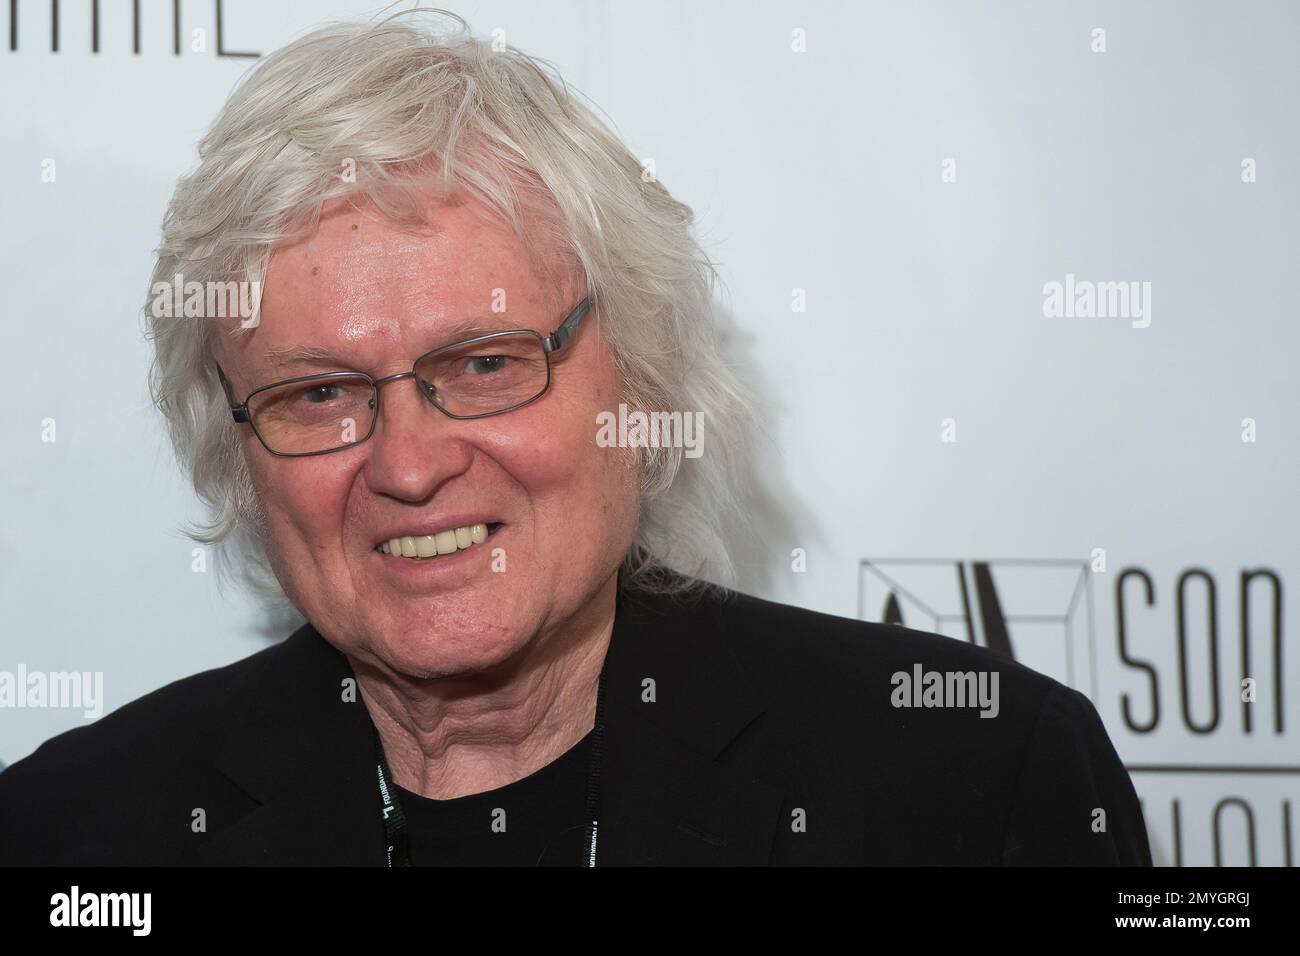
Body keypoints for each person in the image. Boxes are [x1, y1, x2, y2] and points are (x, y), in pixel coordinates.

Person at [0, 11, 1151, 866]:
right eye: (317, 394)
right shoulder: (72, 837)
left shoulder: (972, 786)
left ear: (636, 371)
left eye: (486, 364)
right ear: (236, 450)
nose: (407, 465)